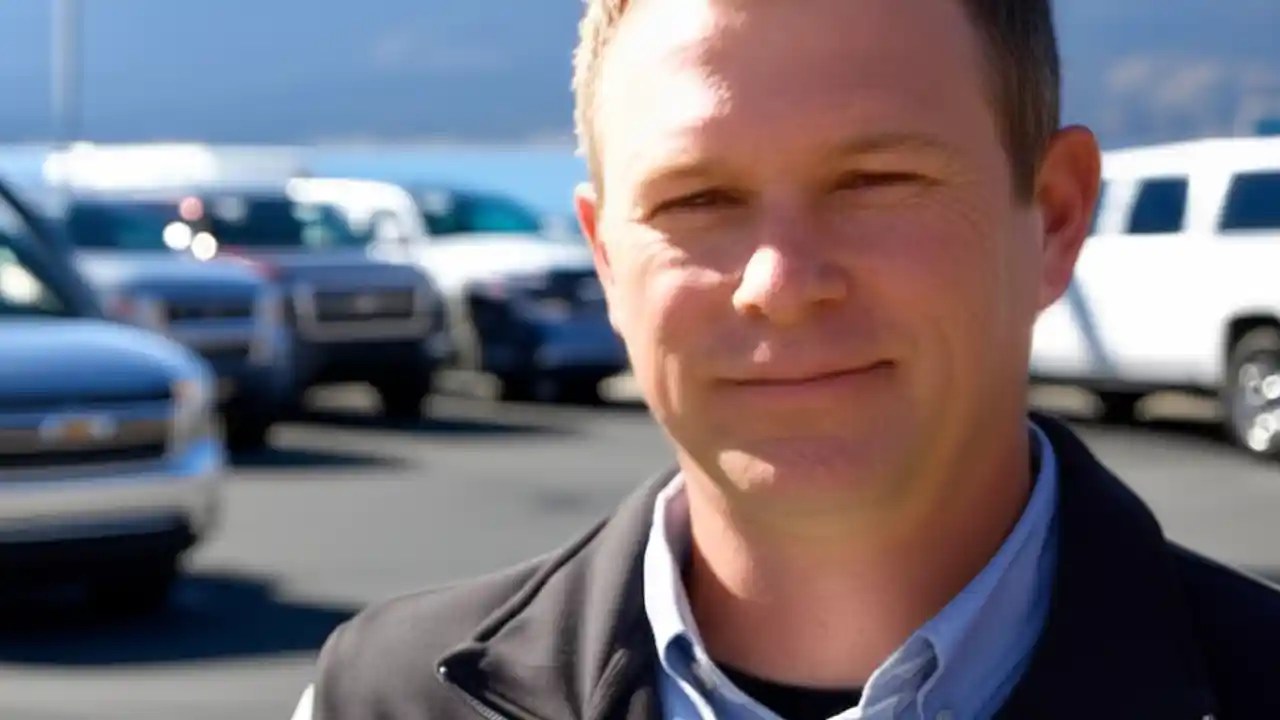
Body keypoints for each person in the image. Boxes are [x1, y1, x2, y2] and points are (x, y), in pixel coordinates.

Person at [295, 0, 1280, 717]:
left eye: (873, 180)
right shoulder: (381, 698)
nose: (778, 279)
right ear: (605, 258)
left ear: (1053, 221)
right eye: (695, 201)